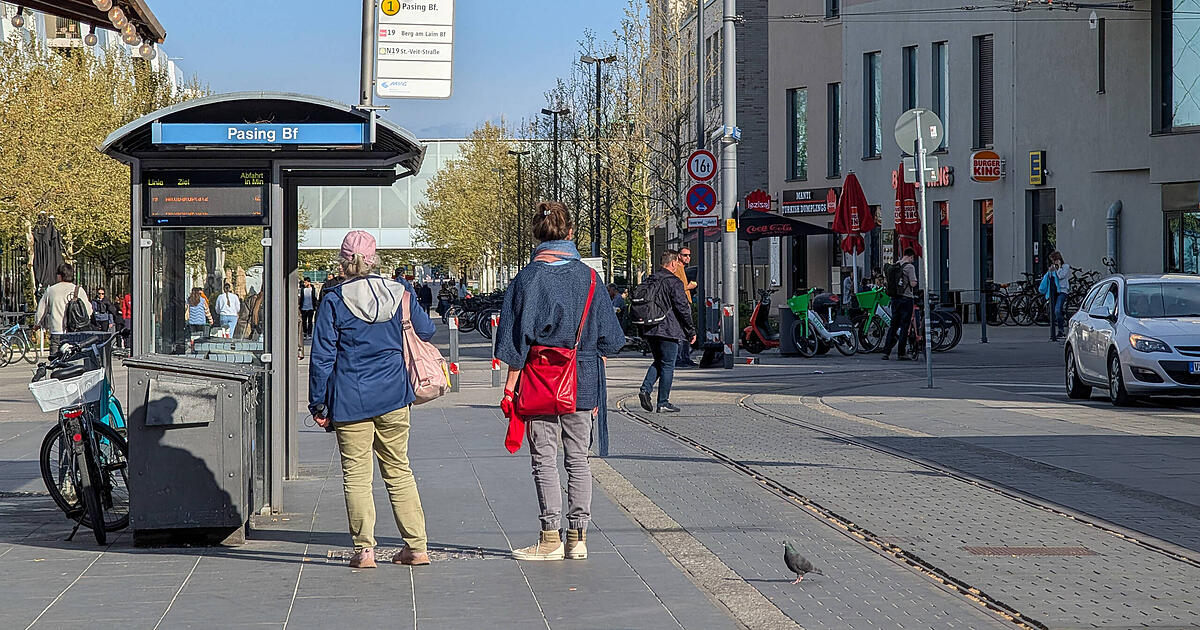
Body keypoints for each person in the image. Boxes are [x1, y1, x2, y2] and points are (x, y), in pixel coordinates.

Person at [496, 201, 624, 562]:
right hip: (581, 378)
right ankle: (578, 537)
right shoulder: (589, 277)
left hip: (539, 378)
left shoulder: (526, 279)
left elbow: (513, 342)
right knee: (578, 460)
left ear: (536, 235)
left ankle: (549, 537)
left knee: (544, 459)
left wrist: (509, 386)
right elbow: (612, 340)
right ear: (570, 234)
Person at [310, 230, 436, 570]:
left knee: (356, 475)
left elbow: (322, 357)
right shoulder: (400, 291)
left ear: (343, 261)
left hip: (351, 400)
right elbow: (425, 331)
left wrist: (318, 404)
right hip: (395, 396)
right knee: (399, 471)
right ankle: (417, 546)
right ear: (375, 257)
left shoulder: (334, 300)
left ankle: (365, 550)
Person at [639, 250, 697, 413]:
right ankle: (663, 402)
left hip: (650, 328)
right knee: (668, 365)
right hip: (668, 329)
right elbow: (682, 308)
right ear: (672, 263)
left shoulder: (650, 280)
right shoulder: (674, 282)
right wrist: (690, 330)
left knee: (659, 361)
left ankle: (645, 389)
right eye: (677, 263)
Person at [34, 263, 93, 355]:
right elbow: (89, 311)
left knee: (55, 360)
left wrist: (37, 324)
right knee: (74, 361)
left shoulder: (51, 290)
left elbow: (41, 310)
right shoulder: (78, 290)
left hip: (57, 331)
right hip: (75, 332)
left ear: (60, 276)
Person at [880, 249, 918, 361]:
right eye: (913, 259)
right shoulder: (910, 267)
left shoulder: (895, 265)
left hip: (894, 299)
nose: (912, 261)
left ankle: (886, 352)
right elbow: (913, 283)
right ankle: (901, 353)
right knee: (905, 326)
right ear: (911, 256)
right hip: (906, 299)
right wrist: (915, 283)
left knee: (893, 326)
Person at [671, 247, 700, 368]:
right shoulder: (677, 268)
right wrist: (689, 286)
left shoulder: (682, 268)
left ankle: (685, 357)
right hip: (681, 302)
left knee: (686, 330)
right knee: (682, 330)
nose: (688, 257)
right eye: (685, 255)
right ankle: (679, 358)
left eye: (689, 255)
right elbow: (677, 288)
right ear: (679, 256)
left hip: (685, 301)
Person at [1046, 251, 1071, 341]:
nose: (1054, 262)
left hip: (1063, 291)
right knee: (1054, 310)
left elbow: (1061, 276)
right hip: (1054, 291)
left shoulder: (1065, 267)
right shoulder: (1053, 267)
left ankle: (1061, 330)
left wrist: (1059, 267)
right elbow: (1050, 277)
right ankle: (1058, 330)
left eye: (1055, 260)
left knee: (1057, 310)